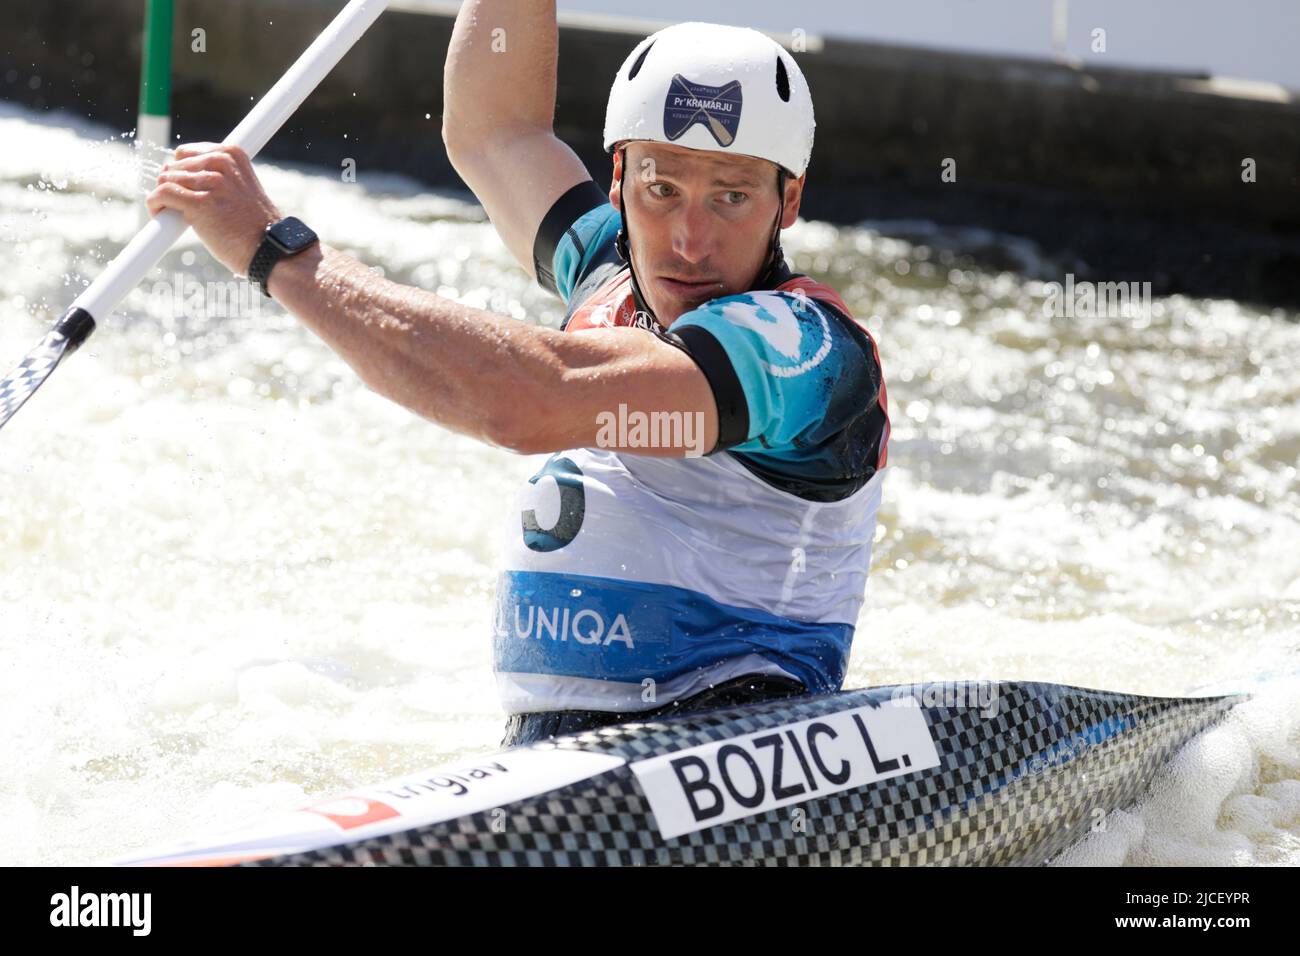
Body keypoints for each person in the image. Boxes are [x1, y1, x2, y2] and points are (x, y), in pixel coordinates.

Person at [146, 1, 890, 749]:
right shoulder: (608, 272)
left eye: (731, 196)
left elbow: (526, 403)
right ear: (619, 179)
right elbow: (492, 129)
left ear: (787, 201)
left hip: (731, 745)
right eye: (661, 190)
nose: (690, 241)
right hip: (555, 761)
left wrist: (279, 254)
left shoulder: (803, 350)